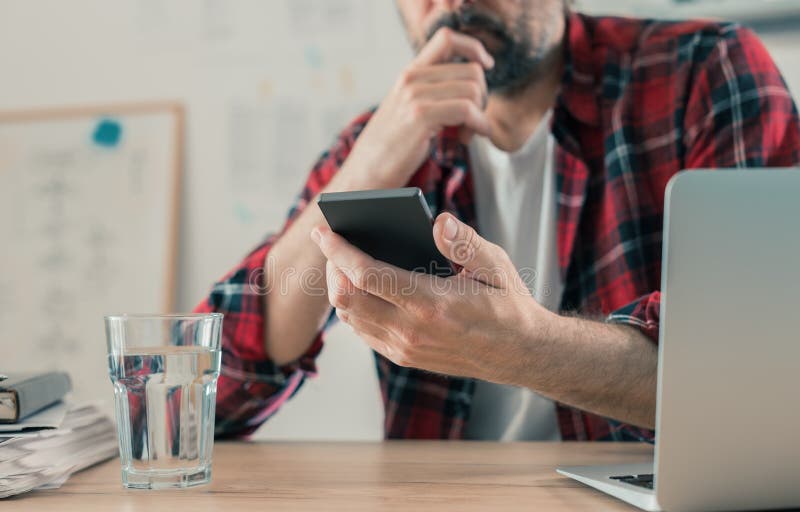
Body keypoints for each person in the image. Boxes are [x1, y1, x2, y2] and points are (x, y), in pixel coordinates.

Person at [197, 0, 800, 441]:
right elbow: (210, 396)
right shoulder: (383, 136)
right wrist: (366, 164)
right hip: (447, 509)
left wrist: (524, 347)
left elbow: (765, 371)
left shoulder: (703, 72)